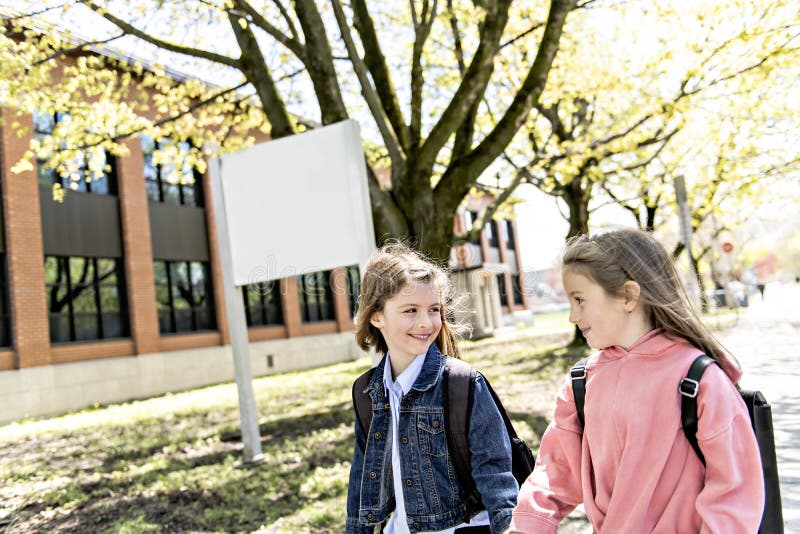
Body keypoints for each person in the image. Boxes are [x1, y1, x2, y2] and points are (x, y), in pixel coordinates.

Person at [509, 229, 764, 533]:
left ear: (628, 296)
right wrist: (526, 526)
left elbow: (733, 495)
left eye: (579, 300)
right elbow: (555, 472)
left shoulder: (700, 379)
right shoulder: (582, 383)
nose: (572, 316)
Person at [346, 243, 518, 534]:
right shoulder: (367, 392)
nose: (426, 322)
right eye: (410, 310)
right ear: (376, 316)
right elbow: (362, 483)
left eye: (434, 309)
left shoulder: (462, 383)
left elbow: (497, 474)